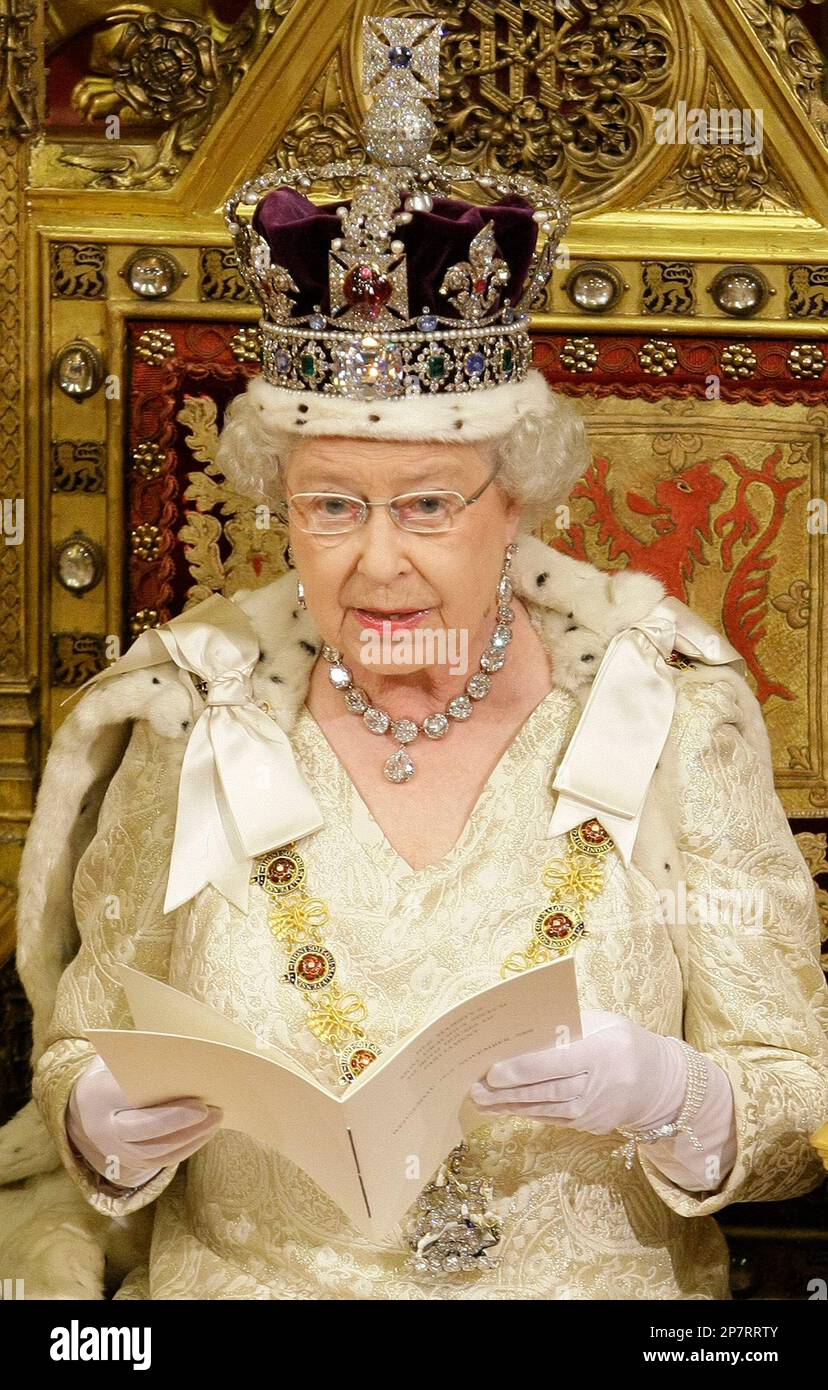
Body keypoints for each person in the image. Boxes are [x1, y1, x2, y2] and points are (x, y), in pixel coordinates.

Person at [4, 15, 828, 1300]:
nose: (376, 561)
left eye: (429, 505)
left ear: (520, 504)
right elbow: (84, 1036)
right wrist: (98, 1128)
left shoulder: (665, 712)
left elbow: (799, 1097)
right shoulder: (194, 714)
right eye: (333, 505)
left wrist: (682, 1096)